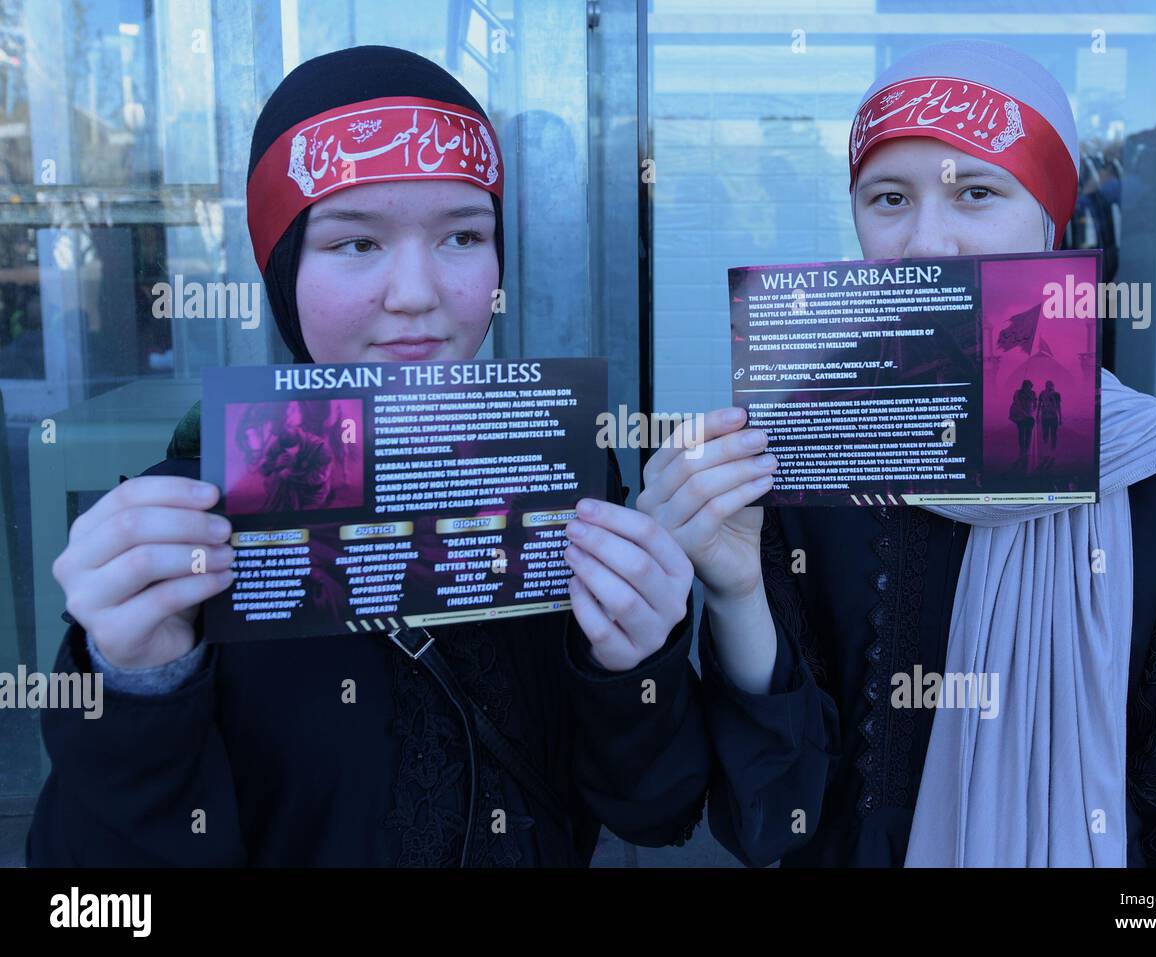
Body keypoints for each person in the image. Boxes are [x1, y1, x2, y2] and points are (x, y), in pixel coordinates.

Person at [29, 45, 709, 867]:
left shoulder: (559, 484)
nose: (417, 293)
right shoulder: (182, 534)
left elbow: (657, 807)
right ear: (282, 269)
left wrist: (639, 662)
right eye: (356, 244)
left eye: (463, 234)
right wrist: (134, 684)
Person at [638, 40, 1156, 867]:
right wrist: (733, 597)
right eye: (888, 197)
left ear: (1053, 224)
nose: (926, 242)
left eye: (976, 192)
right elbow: (769, 819)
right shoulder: (804, 459)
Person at [1010, 379, 1037, 459]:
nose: (1029, 388)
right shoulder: (1018, 393)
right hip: (1021, 417)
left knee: (1028, 434)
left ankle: (1026, 450)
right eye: (1027, 386)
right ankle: (1022, 450)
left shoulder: (1032, 393)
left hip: (1029, 417)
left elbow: (1034, 405)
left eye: (1029, 386)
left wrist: (1033, 404)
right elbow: (1016, 403)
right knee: (1021, 434)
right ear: (1024, 386)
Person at [1038, 380, 1062, 450]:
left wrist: (1060, 418)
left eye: (1051, 385)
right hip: (1045, 417)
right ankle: (1046, 448)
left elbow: (1058, 406)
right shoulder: (1042, 394)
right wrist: (1037, 416)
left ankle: (1053, 449)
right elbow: (1039, 405)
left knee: (1054, 434)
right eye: (1049, 385)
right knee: (1045, 434)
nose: (1050, 387)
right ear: (1046, 386)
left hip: (1054, 417)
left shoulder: (1056, 394)